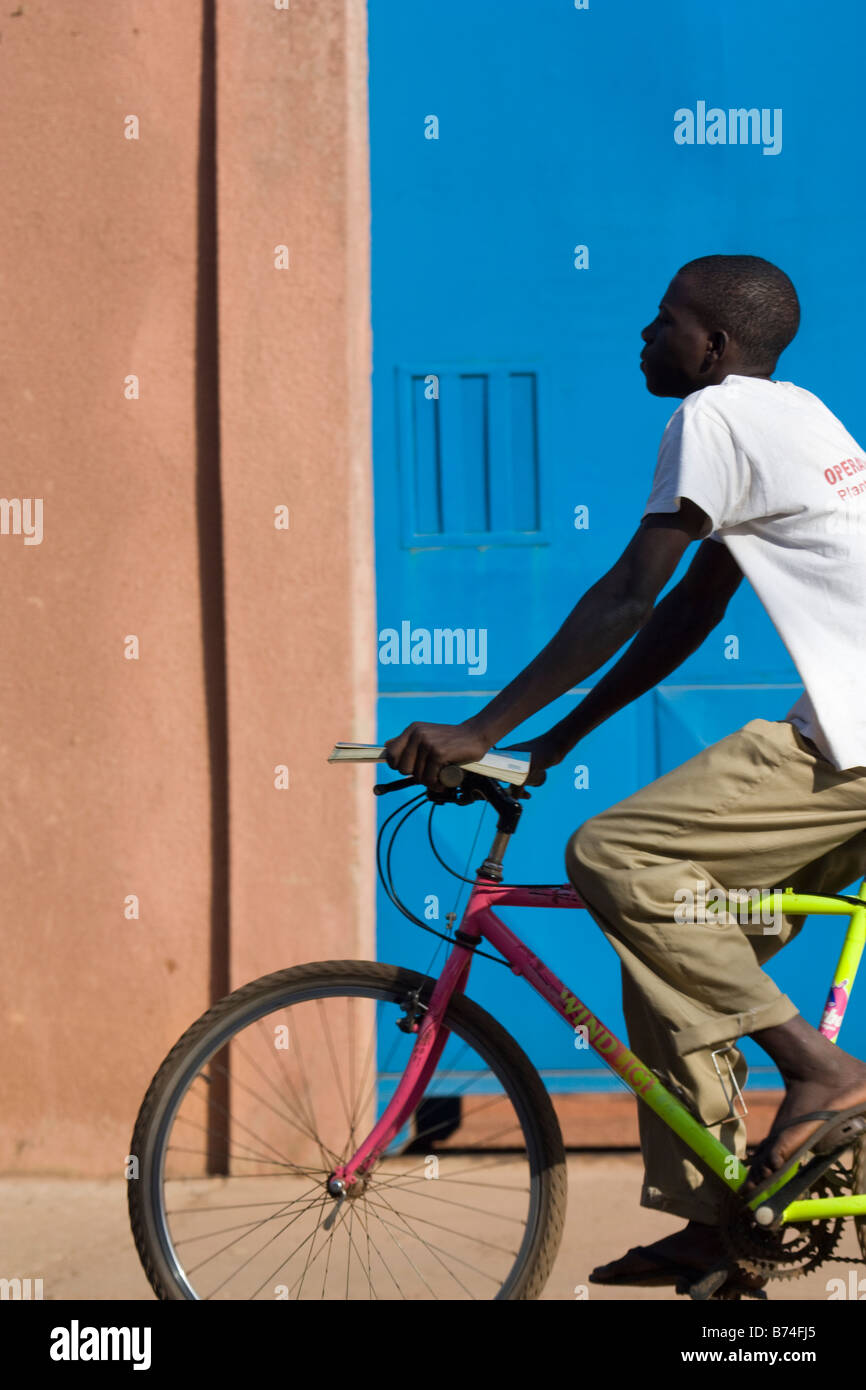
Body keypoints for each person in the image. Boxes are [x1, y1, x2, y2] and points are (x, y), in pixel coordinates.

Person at [383, 254, 866, 1291]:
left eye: (661, 323)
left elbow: (626, 595)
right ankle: (721, 1220)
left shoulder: (715, 417)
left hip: (850, 744)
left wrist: (480, 724)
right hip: (853, 744)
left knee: (614, 856)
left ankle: (820, 1071)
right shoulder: (793, 415)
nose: (640, 338)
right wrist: (555, 738)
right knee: (677, 941)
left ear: (712, 347)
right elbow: (688, 609)